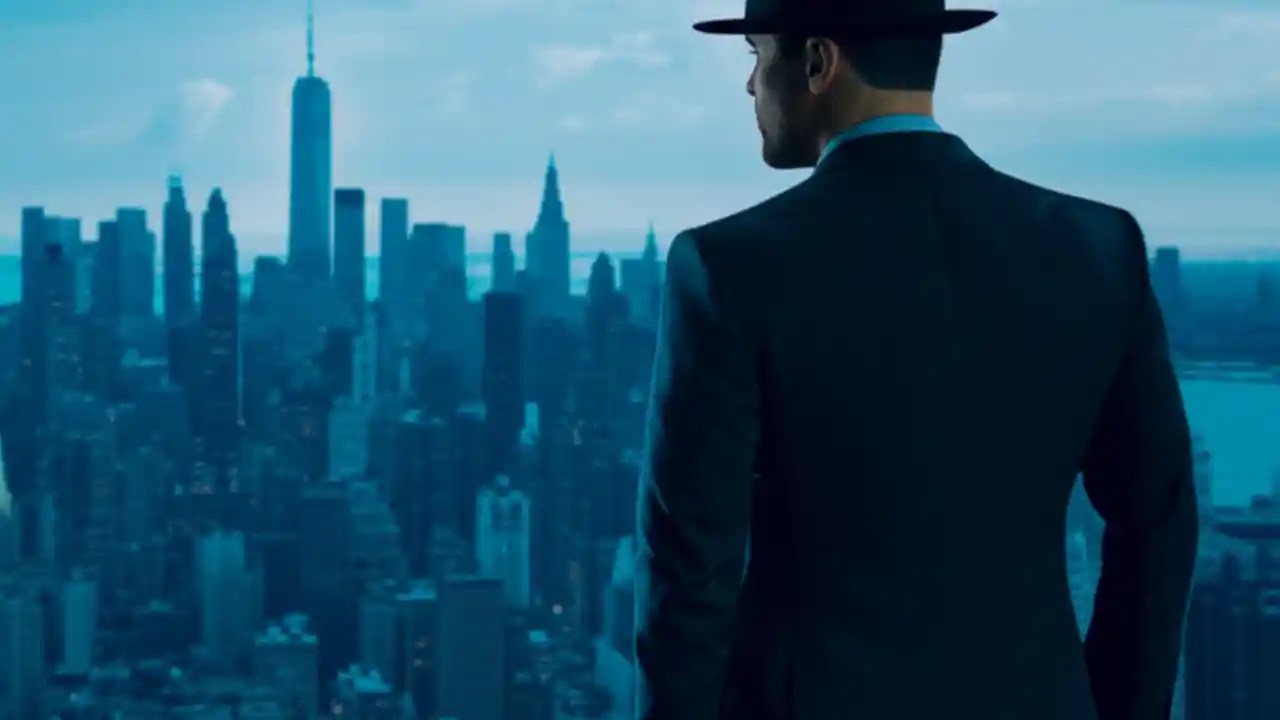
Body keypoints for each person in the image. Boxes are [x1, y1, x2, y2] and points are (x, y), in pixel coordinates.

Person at [632, 1, 1200, 718]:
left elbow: (689, 570)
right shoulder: (1098, 247)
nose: (750, 87)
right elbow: (1157, 523)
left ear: (816, 63)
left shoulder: (728, 266)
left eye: (755, 54)